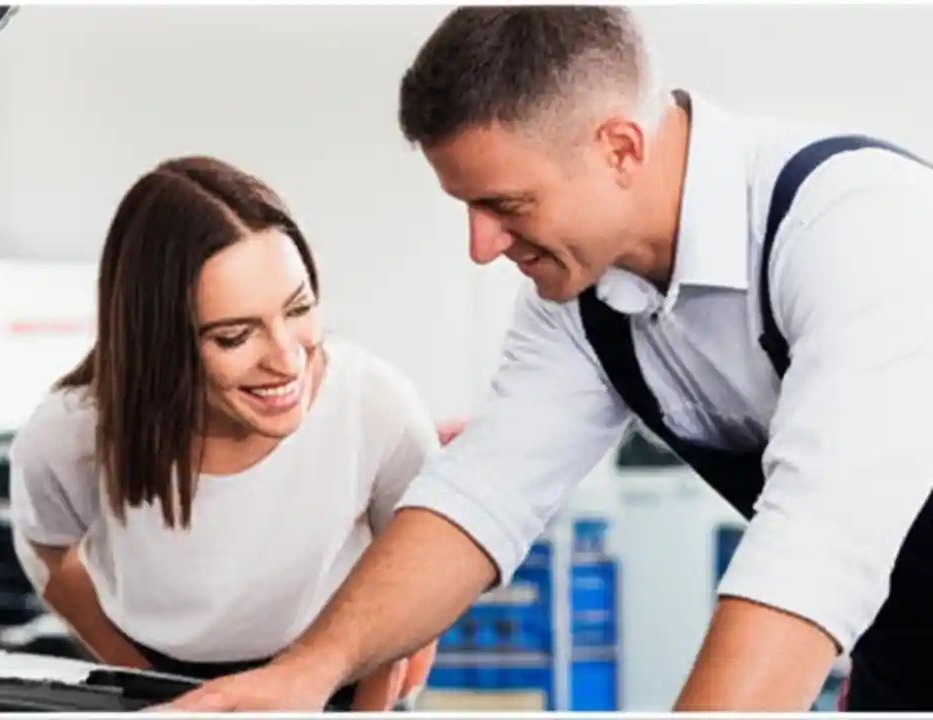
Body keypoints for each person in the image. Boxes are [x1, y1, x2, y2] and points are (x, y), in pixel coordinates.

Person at [164, 5, 933, 712]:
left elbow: (817, 545)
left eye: (506, 206)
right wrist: (310, 668)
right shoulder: (580, 300)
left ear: (619, 148)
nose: (481, 246)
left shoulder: (858, 226)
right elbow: (481, 493)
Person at [7, 155, 441, 711]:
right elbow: (46, 548)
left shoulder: (378, 409)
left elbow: (419, 586)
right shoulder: (69, 434)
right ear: (161, 345)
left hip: (340, 675)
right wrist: (137, 675)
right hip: (159, 677)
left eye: (299, 309)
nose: (287, 360)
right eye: (236, 337)